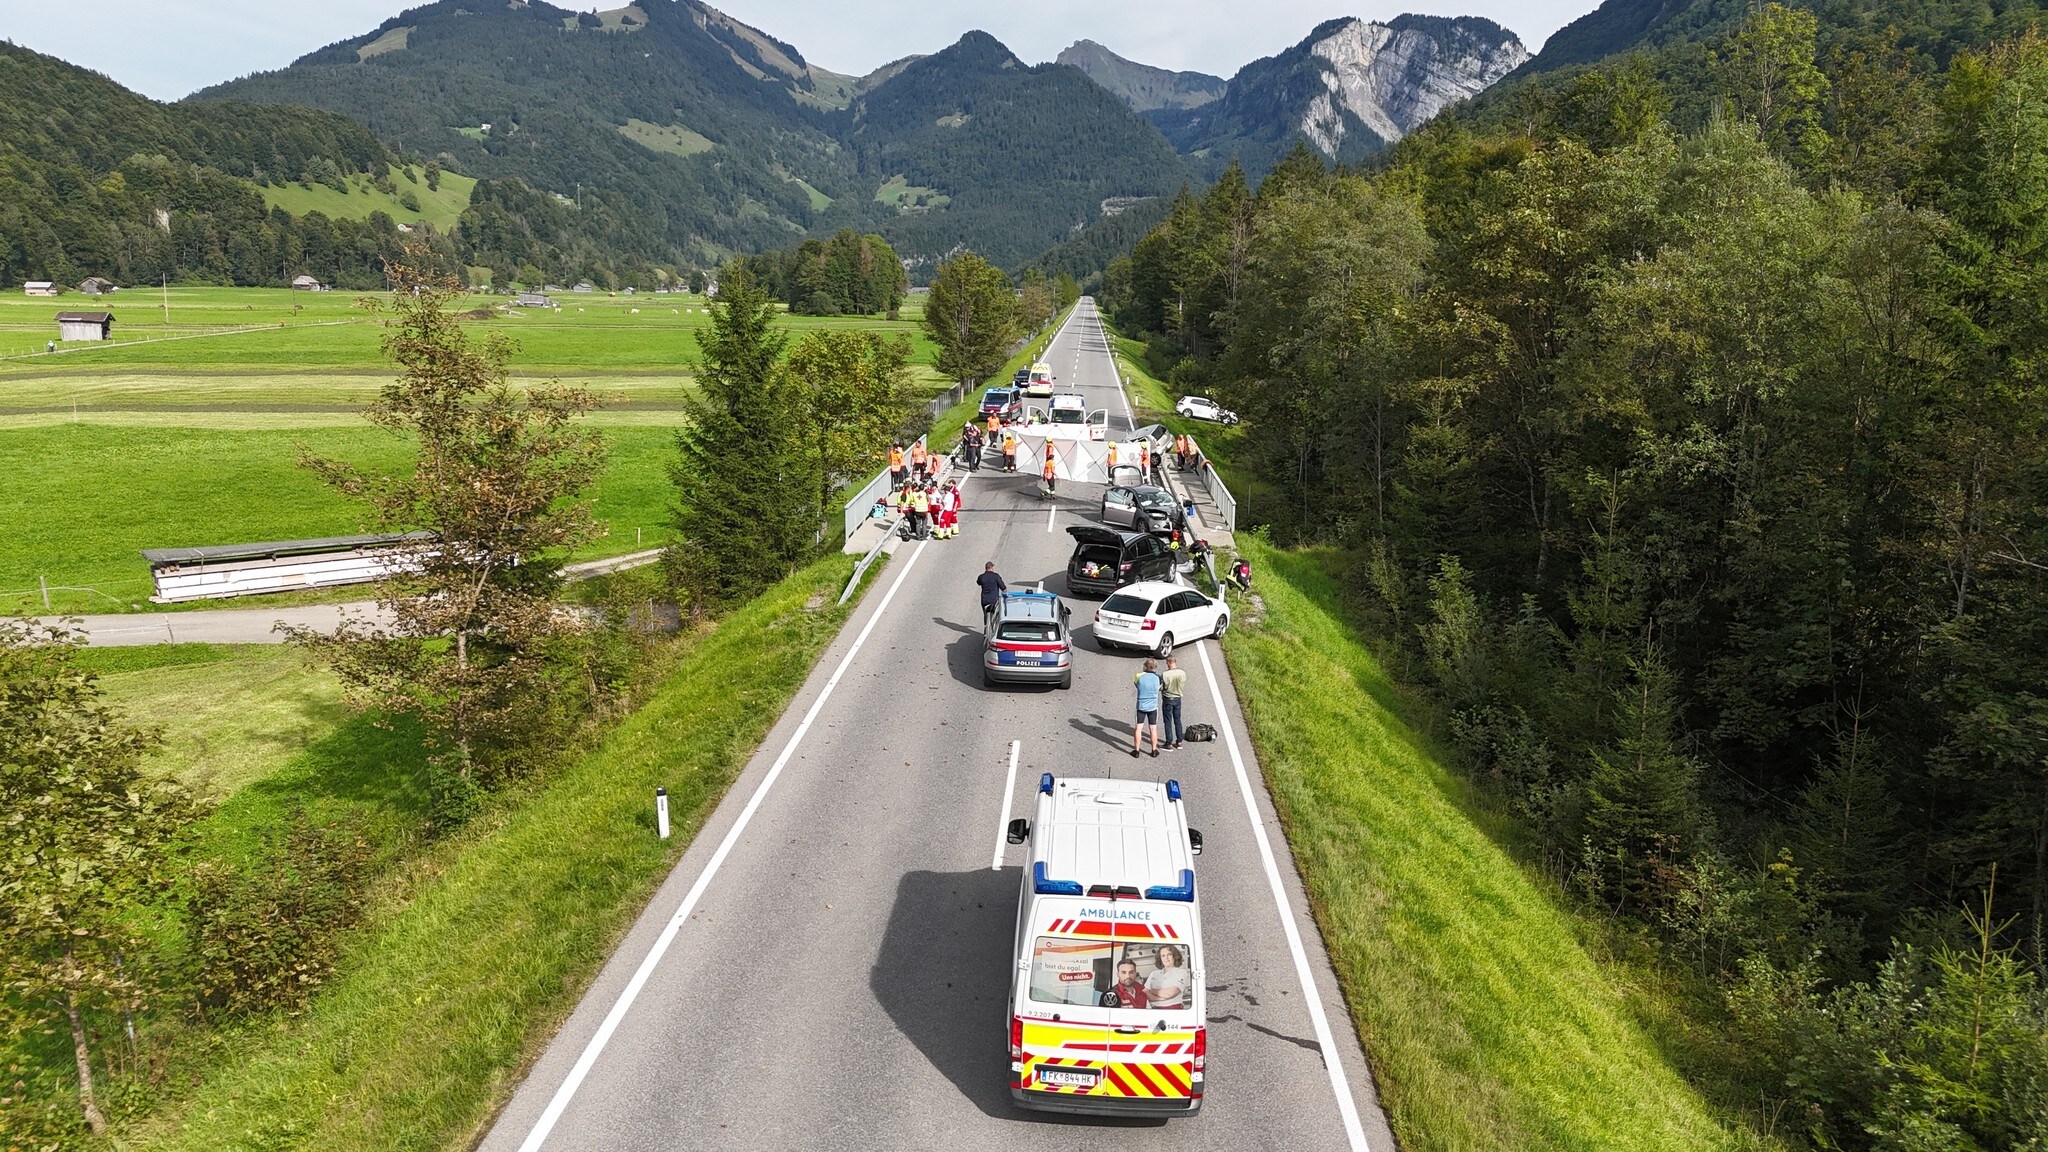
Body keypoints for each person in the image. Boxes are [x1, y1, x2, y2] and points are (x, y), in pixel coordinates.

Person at [1131, 659, 1163, 758]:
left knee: (1138, 728)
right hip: (1153, 707)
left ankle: (1136, 750)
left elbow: (1136, 685)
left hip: (1141, 706)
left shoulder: (1139, 676)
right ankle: (1154, 750)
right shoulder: (1158, 677)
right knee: (1153, 728)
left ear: (1145, 666)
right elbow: (1160, 687)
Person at [1145, 945, 1191, 1009]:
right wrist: (1161, 998)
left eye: (1169, 954)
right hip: (1153, 1009)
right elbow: (1145, 993)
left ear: (1175, 956)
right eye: (1163, 956)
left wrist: (1151, 991)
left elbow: (1171, 993)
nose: (1166, 958)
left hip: (1173, 1009)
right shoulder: (1154, 973)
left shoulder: (1181, 972)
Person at [1160, 655, 1187, 749]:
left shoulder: (1165, 674)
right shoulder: (1182, 673)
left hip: (1168, 699)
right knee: (1177, 720)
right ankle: (1179, 741)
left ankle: (1169, 742)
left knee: (1168, 721)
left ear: (1168, 663)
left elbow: (1161, 687)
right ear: (1175, 662)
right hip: (1178, 698)